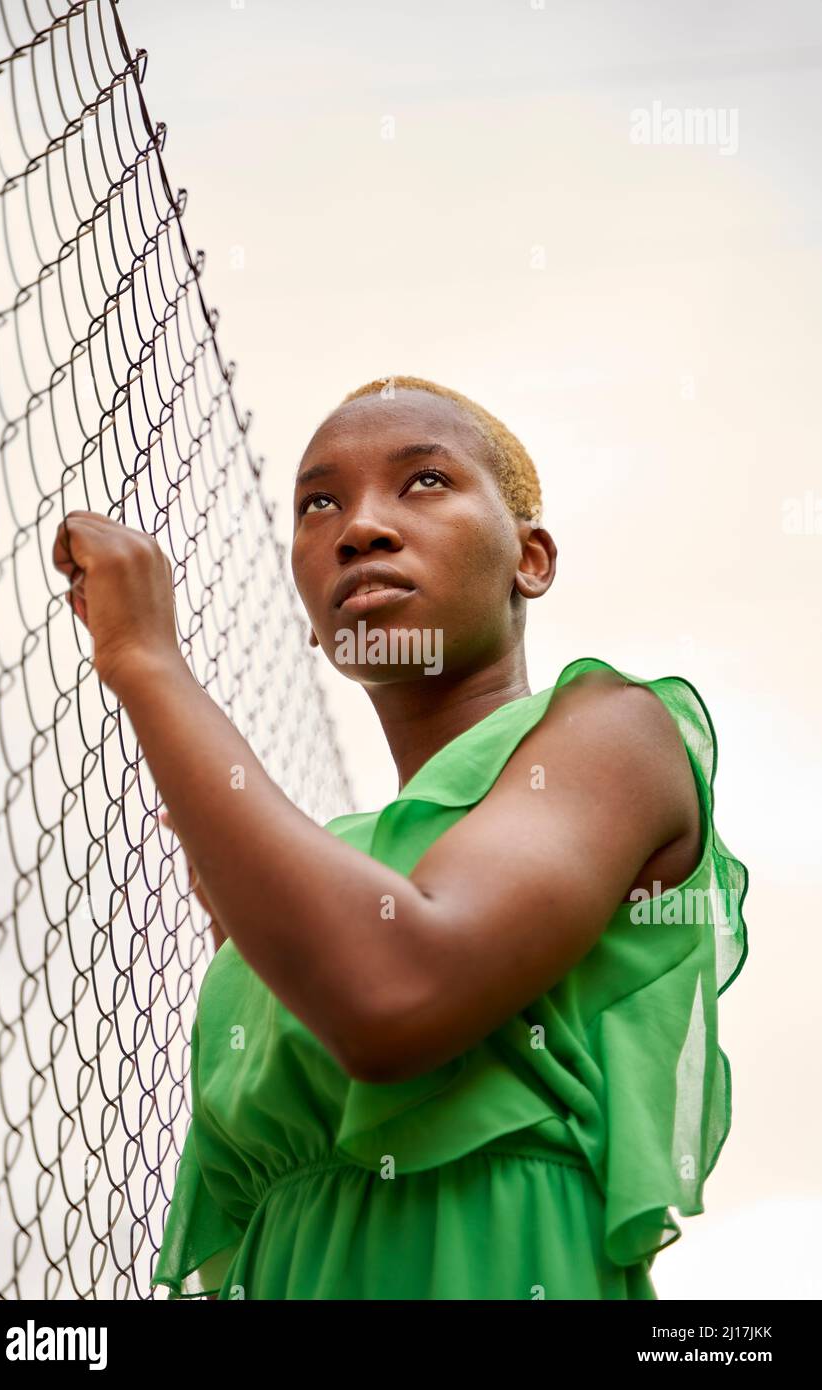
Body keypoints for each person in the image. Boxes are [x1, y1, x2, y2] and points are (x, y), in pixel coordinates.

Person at [52, 375, 748, 1299]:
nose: (360, 528)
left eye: (425, 481)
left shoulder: (611, 733)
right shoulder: (331, 854)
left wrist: (145, 661)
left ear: (529, 560)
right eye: (319, 504)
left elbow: (391, 996)